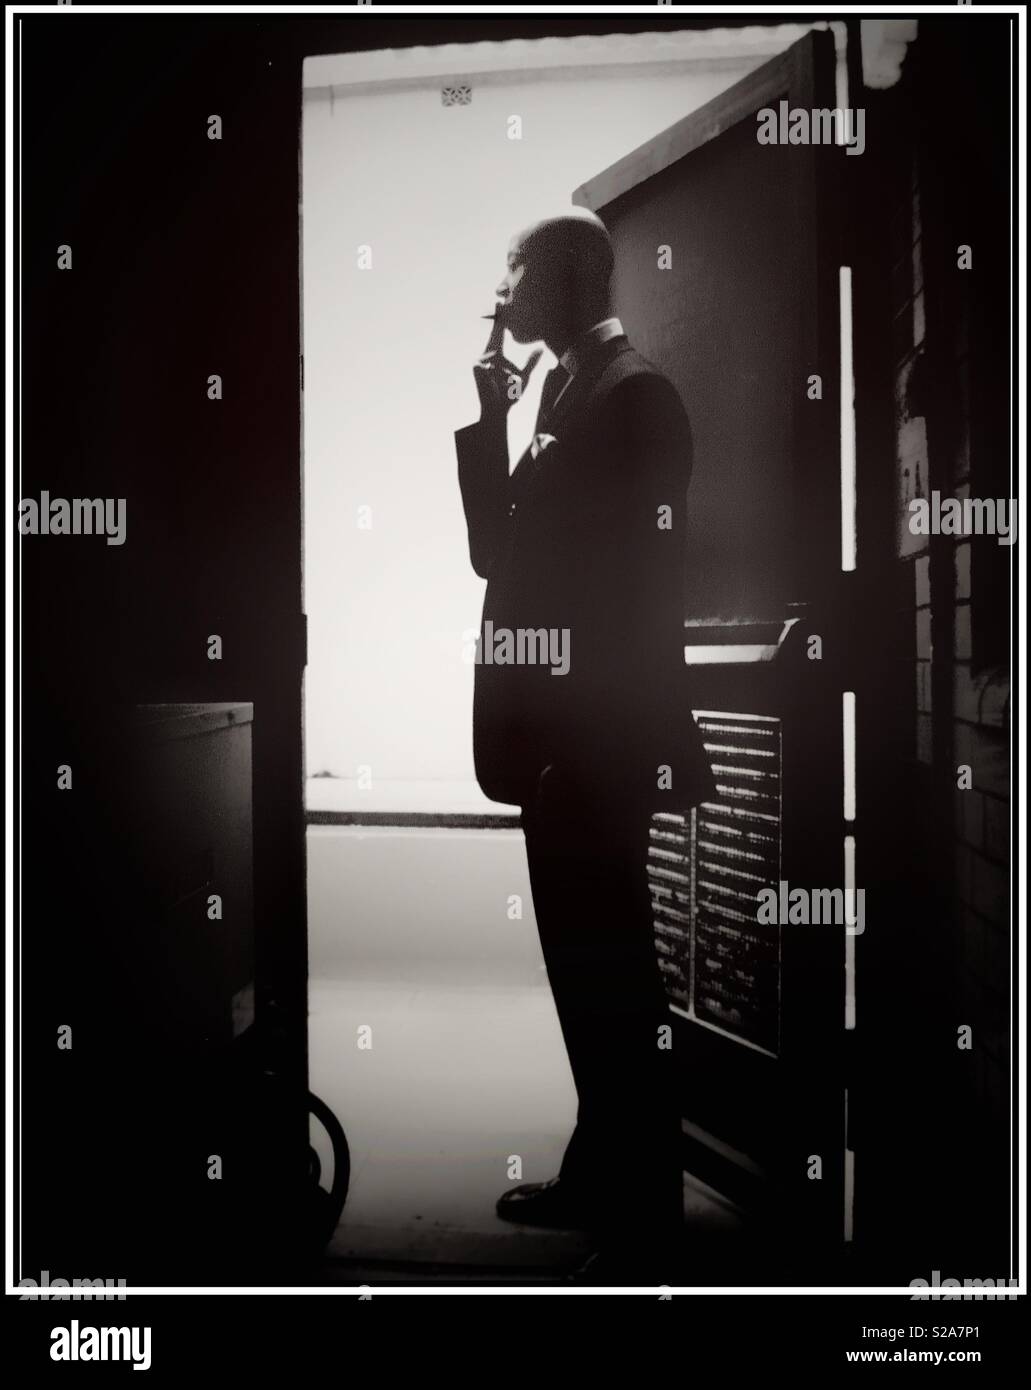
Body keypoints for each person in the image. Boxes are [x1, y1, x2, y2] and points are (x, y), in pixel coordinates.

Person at [455, 207, 715, 1277]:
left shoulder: (634, 394)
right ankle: (607, 1169)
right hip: (562, 750)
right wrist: (489, 418)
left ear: (562, 275)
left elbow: (624, 597)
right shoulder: (562, 392)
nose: (499, 289)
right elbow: (493, 557)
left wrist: (571, 740)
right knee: (588, 965)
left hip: (595, 748)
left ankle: (635, 1187)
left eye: (511, 267)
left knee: (611, 968)